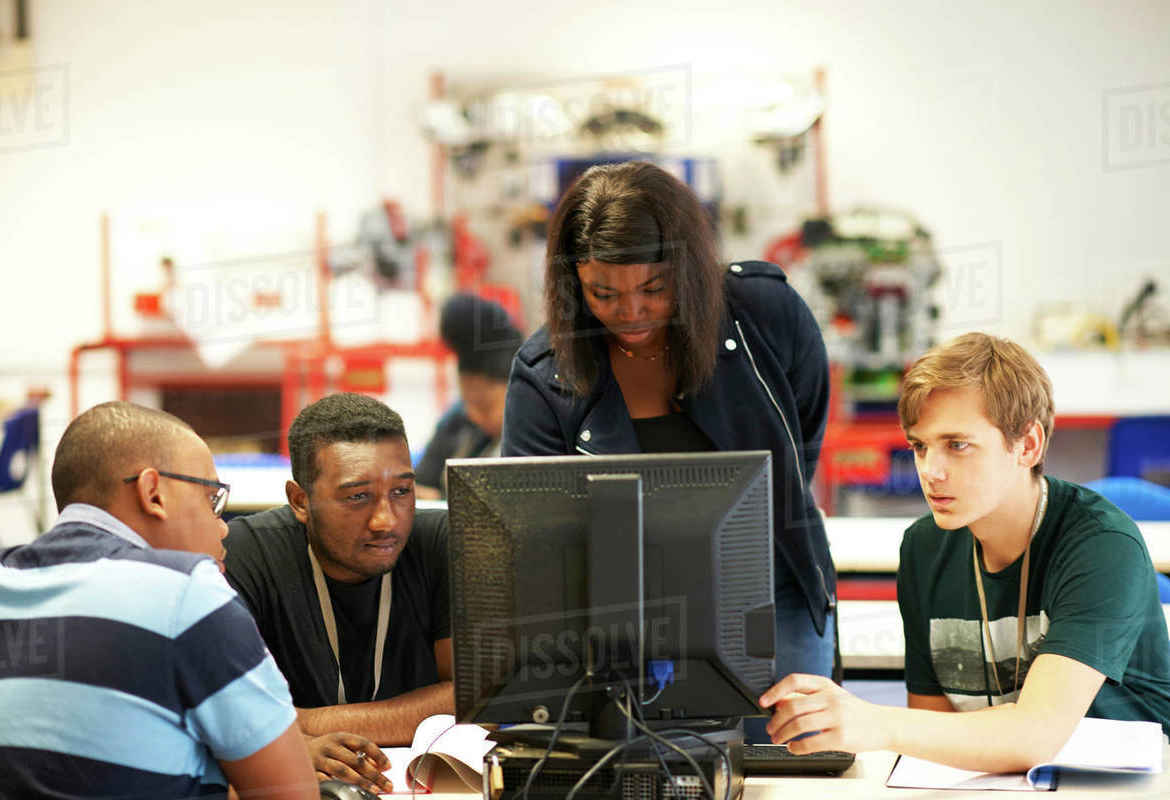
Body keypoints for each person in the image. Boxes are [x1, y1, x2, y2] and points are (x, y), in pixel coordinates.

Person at [501, 161, 836, 702]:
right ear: (572, 284)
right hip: (623, 620)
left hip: (775, 596)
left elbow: (803, 442)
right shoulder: (546, 373)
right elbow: (530, 526)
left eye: (654, 287)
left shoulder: (764, 314)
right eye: (602, 293)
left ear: (689, 270)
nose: (631, 312)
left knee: (794, 767)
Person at [760, 333, 1170, 772]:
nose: (930, 471)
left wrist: (874, 722)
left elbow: (1036, 736)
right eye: (920, 446)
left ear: (1027, 445)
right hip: (995, 781)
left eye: (957, 444)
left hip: (1127, 783)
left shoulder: (1102, 544)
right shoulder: (924, 547)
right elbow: (933, 737)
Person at [0, 401, 317, 799]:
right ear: (154, 493)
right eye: (211, 500)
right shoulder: (187, 593)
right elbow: (291, 794)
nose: (222, 528)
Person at [223, 393, 452, 776]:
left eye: (401, 492)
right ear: (300, 501)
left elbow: (473, 698)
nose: (386, 521)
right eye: (358, 496)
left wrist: (298, 724)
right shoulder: (244, 554)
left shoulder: (441, 543)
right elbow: (225, 710)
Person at [416, 293, 524, 499]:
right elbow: (421, 481)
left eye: (485, 406)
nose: (473, 415)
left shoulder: (538, 438)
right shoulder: (458, 422)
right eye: (467, 403)